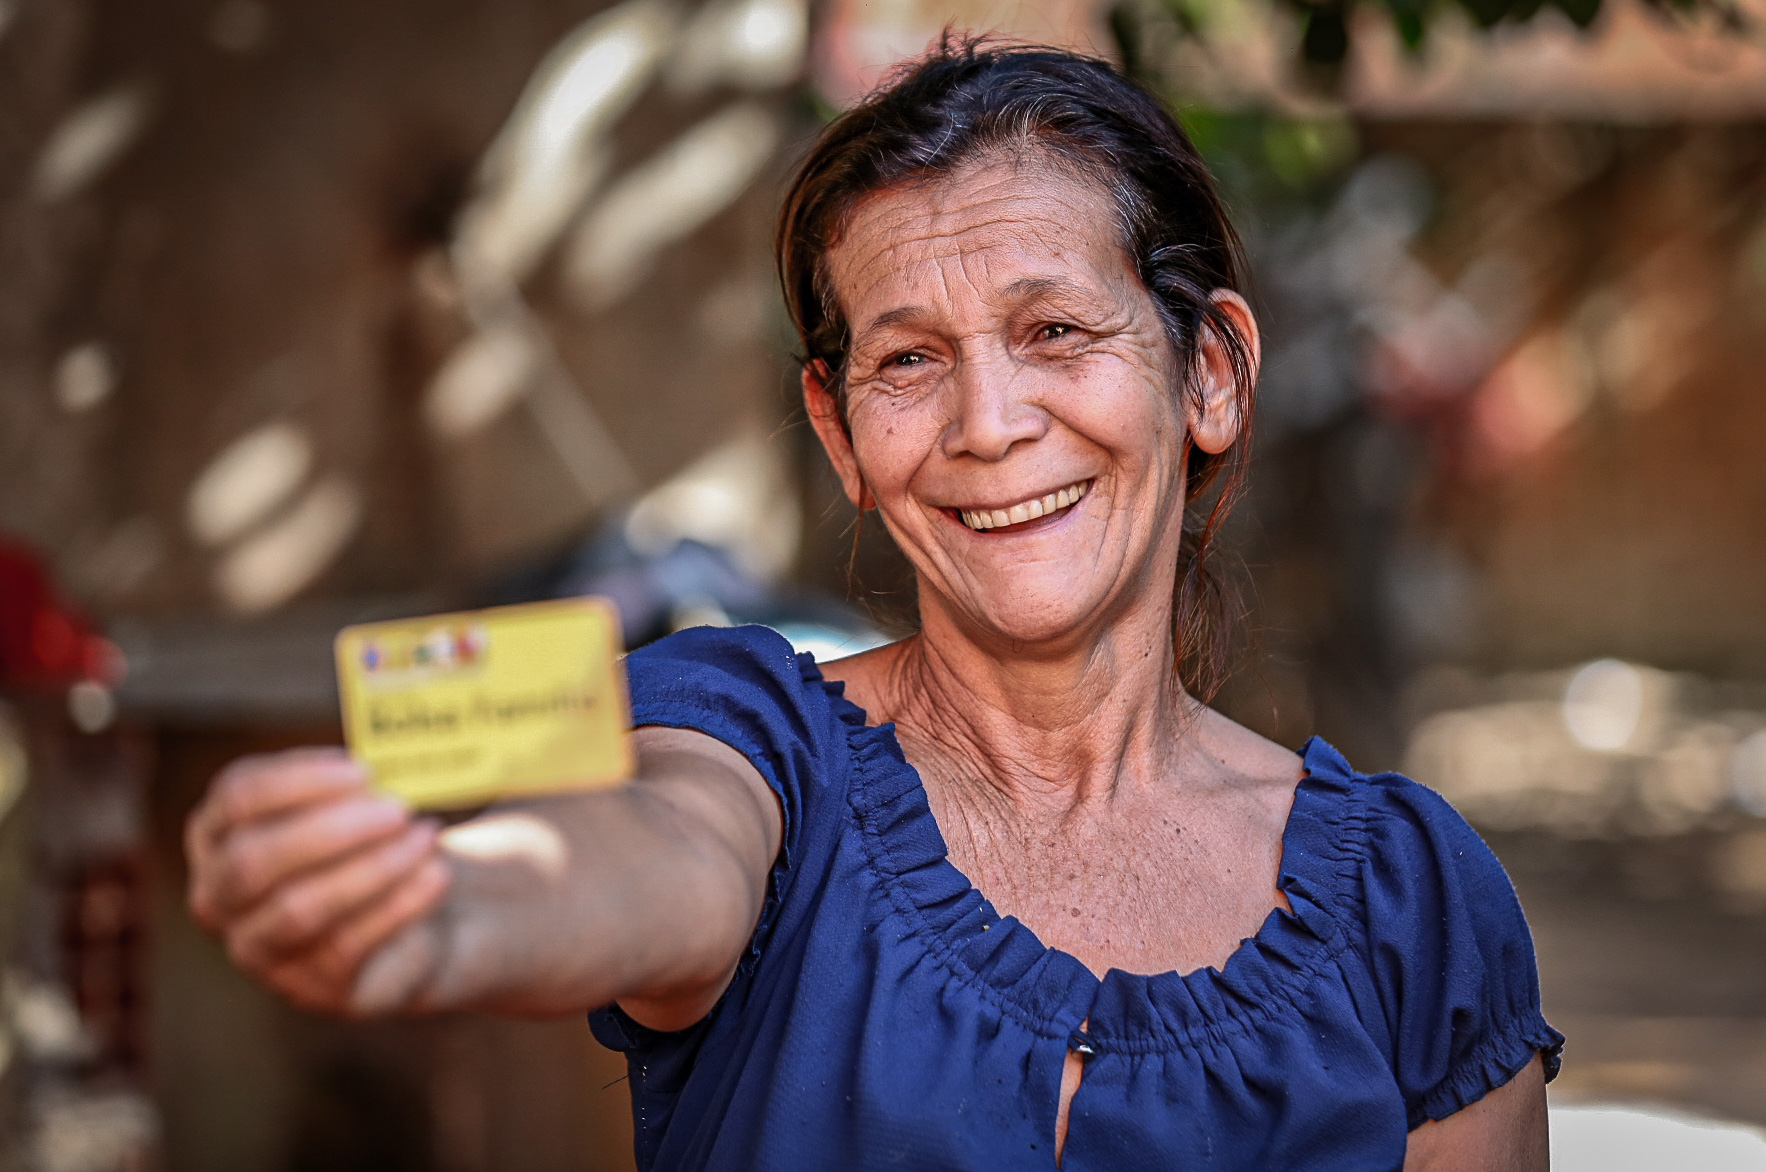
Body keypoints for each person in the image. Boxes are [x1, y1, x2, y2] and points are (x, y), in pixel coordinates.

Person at [184, 40, 1562, 1171]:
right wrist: (453, 909)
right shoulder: (756, 739)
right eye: (906, 361)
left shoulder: (1414, 906)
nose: (988, 423)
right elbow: (661, 849)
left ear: (1207, 372)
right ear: (838, 433)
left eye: (1054, 332)